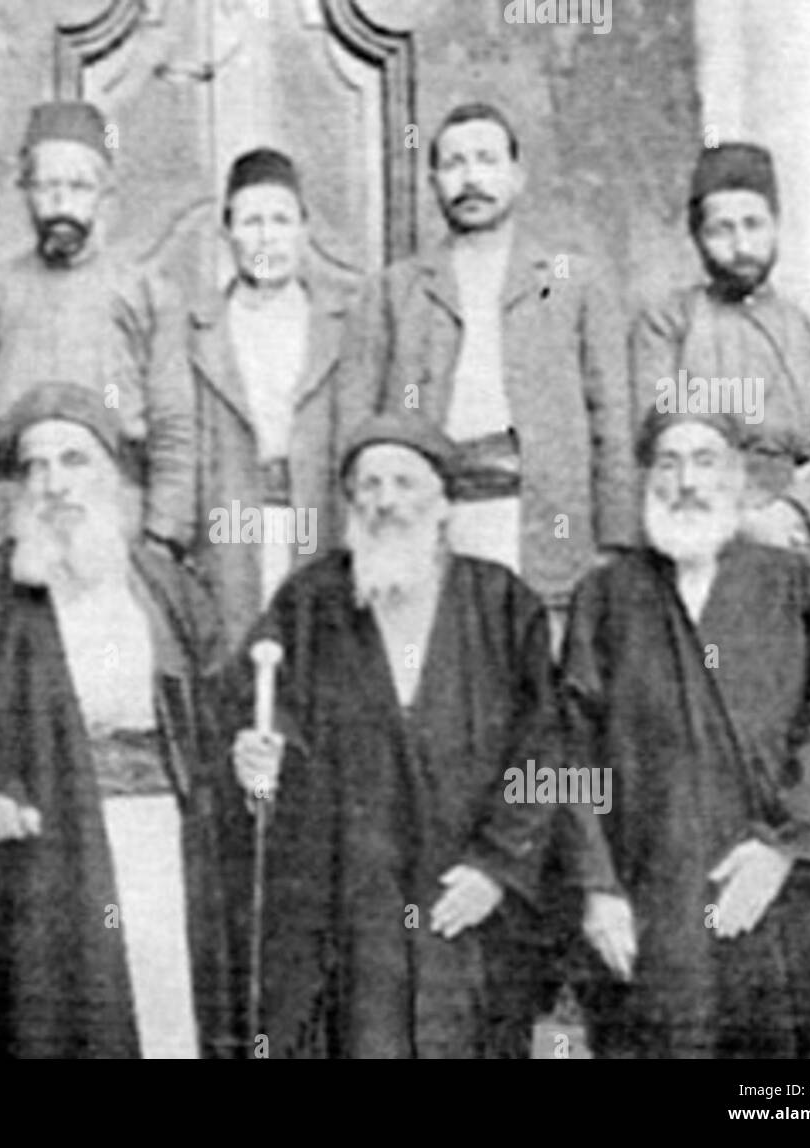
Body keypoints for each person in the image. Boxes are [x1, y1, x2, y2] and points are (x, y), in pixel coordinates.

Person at [0, 383, 236, 1058]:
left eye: (75, 461)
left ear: (113, 476)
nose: (55, 483)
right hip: (41, 857)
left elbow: (223, 712)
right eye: (35, 466)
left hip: (162, 849)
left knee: (167, 1022)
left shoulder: (167, 588)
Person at [558, 407, 810, 1058]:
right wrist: (596, 889)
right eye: (668, 461)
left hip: (765, 895)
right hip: (643, 896)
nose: (687, 480)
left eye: (706, 461)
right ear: (646, 479)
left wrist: (782, 849)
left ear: (739, 479)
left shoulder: (789, 583)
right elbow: (567, 752)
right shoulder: (604, 596)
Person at [223, 411, 559, 1058]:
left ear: (443, 503)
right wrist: (257, 758)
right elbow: (257, 711)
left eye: (405, 482)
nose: (385, 501)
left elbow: (545, 750)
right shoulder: (309, 602)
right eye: (368, 485)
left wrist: (497, 865)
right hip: (353, 911)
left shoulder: (503, 606)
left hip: (468, 900)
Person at [335, 102, 636, 637]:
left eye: (486, 160)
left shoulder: (573, 282)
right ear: (432, 181)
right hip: (433, 518)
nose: (470, 178)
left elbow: (612, 419)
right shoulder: (392, 292)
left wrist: (614, 541)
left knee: (542, 678)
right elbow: (357, 428)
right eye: (453, 164)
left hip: (541, 516)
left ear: (517, 176)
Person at [0, 101, 195, 555]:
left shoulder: (147, 293)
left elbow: (173, 427)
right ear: (25, 191)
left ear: (104, 193)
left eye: (78, 186)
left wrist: (161, 537)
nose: (61, 201)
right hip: (11, 513)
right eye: (47, 185)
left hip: (116, 516)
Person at [630, 142, 810, 556]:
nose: (741, 246)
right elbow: (660, 432)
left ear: (776, 225)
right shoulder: (666, 325)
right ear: (697, 237)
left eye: (753, 225)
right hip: (691, 531)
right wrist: (736, 520)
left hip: (788, 536)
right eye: (721, 229)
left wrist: (793, 513)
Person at [190, 148, 352, 648]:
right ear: (227, 233)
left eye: (281, 220)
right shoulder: (196, 327)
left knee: (315, 651)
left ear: (304, 230)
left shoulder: (343, 324)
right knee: (235, 651)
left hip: (316, 514)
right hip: (229, 519)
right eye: (251, 221)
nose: (266, 237)